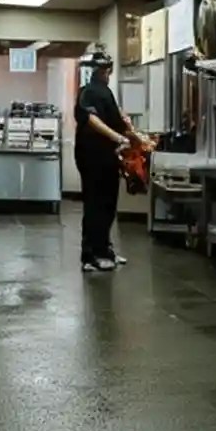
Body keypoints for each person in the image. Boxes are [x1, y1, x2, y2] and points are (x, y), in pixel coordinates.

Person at [74, 55, 136, 272]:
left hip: (107, 156)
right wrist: (117, 137)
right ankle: (90, 255)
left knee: (108, 203)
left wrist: (125, 123)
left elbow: (112, 114)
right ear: (105, 71)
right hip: (92, 155)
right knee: (95, 204)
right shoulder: (88, 90)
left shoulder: (104, 91)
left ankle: (105, 249)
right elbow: (92, 119)